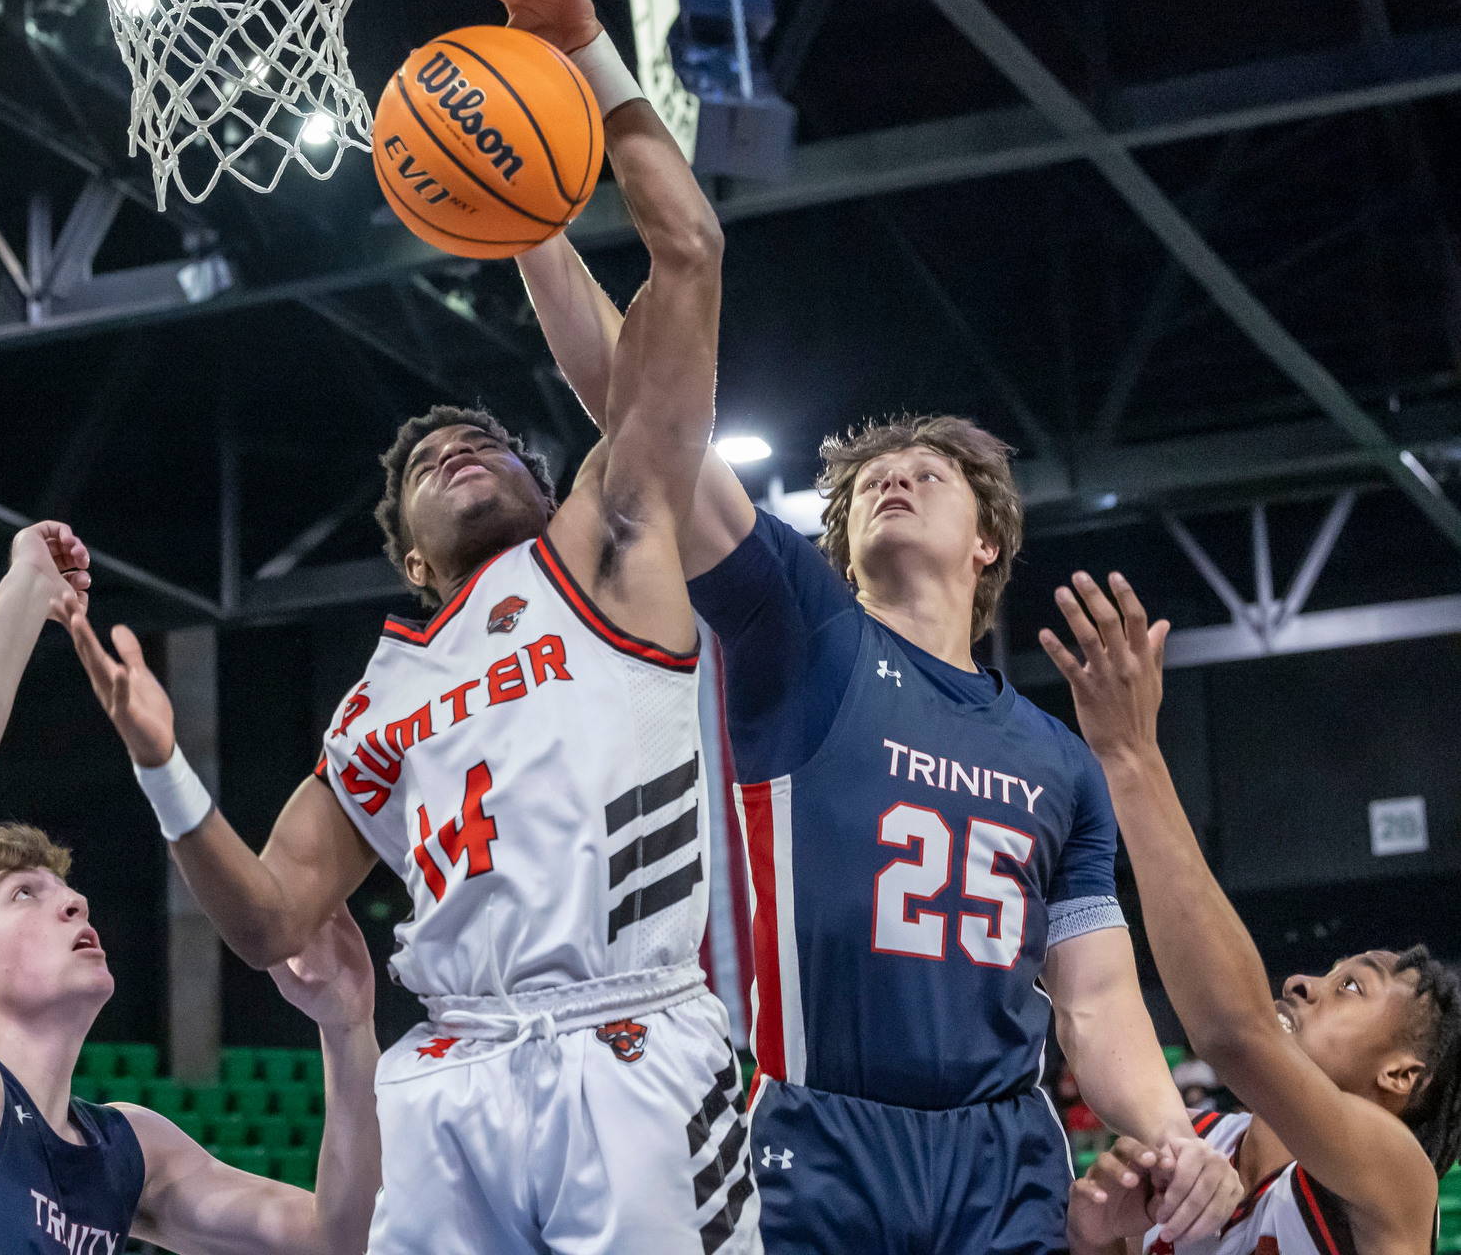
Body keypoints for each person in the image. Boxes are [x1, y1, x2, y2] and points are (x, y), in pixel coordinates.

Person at [69, 0, 758, 1254]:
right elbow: (271, 915)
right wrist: (161, 766)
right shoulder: (375, 705)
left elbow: (691, 254)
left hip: (627, 1041)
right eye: (429, 461)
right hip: (444, 1074)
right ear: (401, 552)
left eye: (486, 439)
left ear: (545, 474)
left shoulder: (605, 549)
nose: (460, 447)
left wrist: (584, 55)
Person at [514, 272, 1243, 1242]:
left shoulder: (1057, 759)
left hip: (1001, 1151)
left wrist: (1170, 1131)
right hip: (814, 1130)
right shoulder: (806, 638)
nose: (891, 479)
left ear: (986, 543)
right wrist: (534, 233)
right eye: (868, 482)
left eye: (925, 474)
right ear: (843, 540)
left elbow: (1097, 999)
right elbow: (650, 413)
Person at [0, 520, 385, 1255]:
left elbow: (338, 1240)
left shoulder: (131, 1151)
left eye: (62, 891)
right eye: (23, 895)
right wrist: (27, 586)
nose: (73, 901)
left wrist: (347, 1032)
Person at [1043, 570, 1461, 1254]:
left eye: (1350, 986)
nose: (1301, 983)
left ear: (1400, 1074)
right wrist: (1094, 1239)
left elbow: (1233, 1032)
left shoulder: (1395, 1179)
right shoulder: (1193, 1143)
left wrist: (1131, 755)